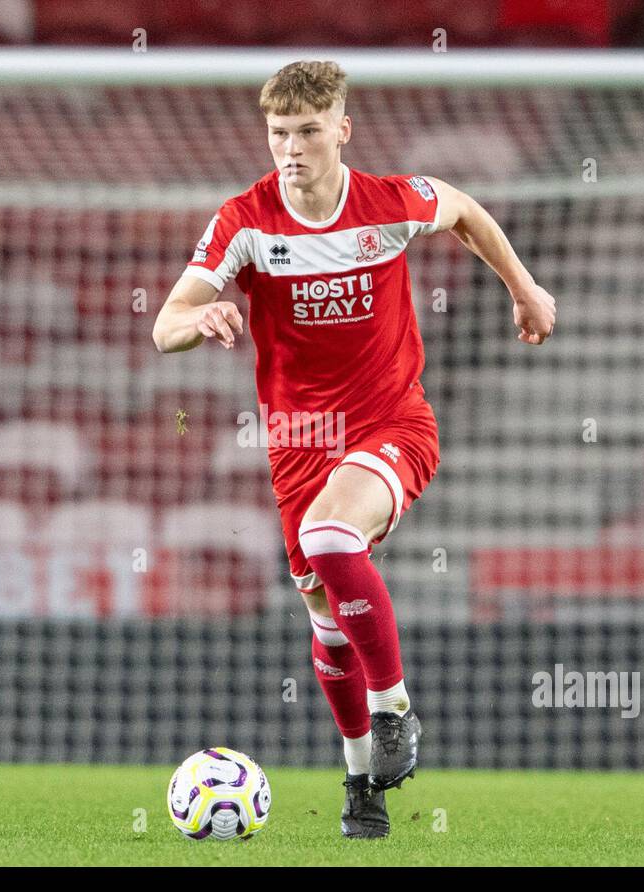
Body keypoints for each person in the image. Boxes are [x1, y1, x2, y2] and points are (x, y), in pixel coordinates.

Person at [152, 60, 556, 838]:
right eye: (279, 133)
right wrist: (194, 326)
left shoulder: (387, 203)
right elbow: (164, 320)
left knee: (330, 535)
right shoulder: (245, 221)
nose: (292, 148)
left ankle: (394, 703)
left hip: (391, 421)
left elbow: (464, 209)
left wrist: (523, 288)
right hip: (299, 443)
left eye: (307, 131)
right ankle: (360, 782)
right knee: (326, 622)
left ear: (342, 129)